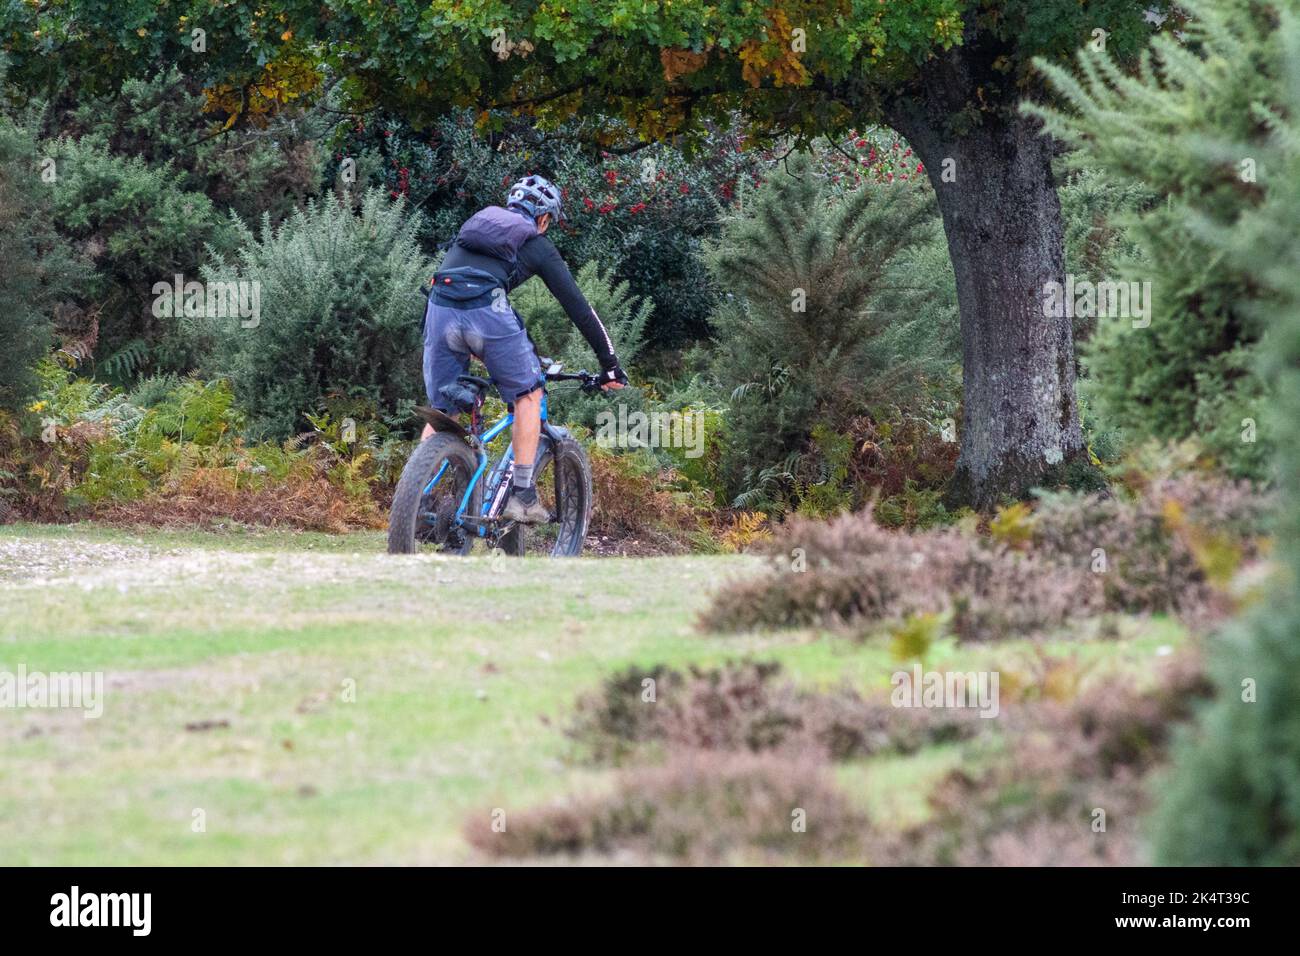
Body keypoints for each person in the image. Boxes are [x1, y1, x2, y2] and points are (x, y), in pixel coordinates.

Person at [421, 174, 626, 523]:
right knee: (528, 394)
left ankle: (416, 500)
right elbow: (578, 307)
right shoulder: (536, 243)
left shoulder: (474, 229)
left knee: (443, 407)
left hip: (439, 313)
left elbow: (443, 282)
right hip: (487, 312)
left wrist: (455, 335)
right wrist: (610, 365)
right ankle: (523, 497)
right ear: (543, 219)